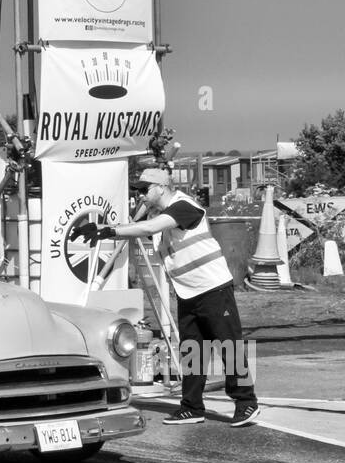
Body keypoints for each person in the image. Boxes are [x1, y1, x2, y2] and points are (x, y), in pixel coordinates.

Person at [70, 166, 260, 426]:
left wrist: (108, 231)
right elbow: (143, 228)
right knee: (193, 350)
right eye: (138, 191)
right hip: (188, 291)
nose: (141, 196)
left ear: (161, 188)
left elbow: (147, 226)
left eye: (145, 190)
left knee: (229, 345)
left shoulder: (184, 207)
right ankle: (192, 407)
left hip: (213, 288)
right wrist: (106, 227)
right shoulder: (160, 214)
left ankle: (246, 403)